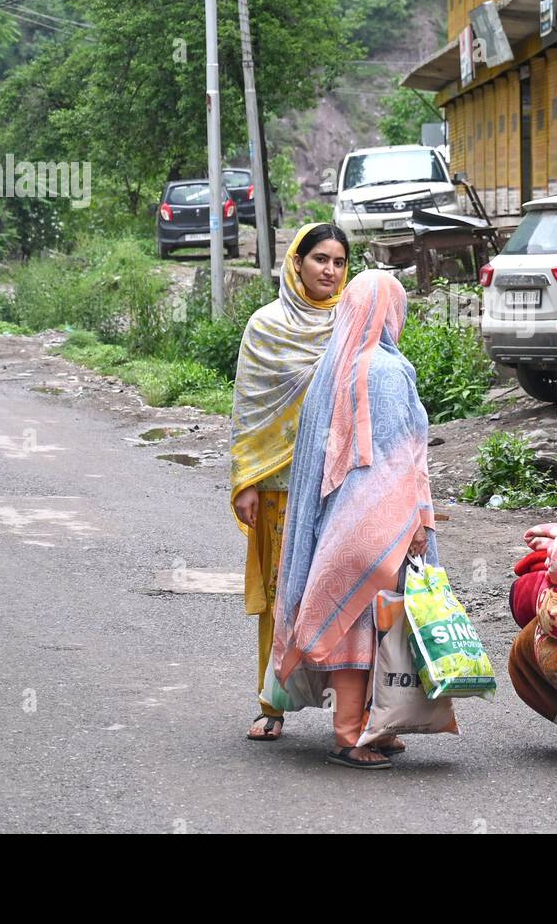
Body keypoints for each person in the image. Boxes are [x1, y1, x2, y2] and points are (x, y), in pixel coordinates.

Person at [265, 270, 437, 769]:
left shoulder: (332, 368)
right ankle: (351, 735)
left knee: (353, 626)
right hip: (381, 522)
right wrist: (416, 523)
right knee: (372, 627)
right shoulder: (388, 368)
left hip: (338, 523)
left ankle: (368, 726)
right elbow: (400, 458)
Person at [229, 223, 349, 743]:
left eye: (340, 262)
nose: (330, 270)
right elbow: (250, 410)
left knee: (344, 593)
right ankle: (271, 703)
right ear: (296, 262)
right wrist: (247, 480)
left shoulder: (351, 322)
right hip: (278, 484)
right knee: (283, 596)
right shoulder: (265, 325)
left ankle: (354, 706)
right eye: (320, 258)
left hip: (338, 482)